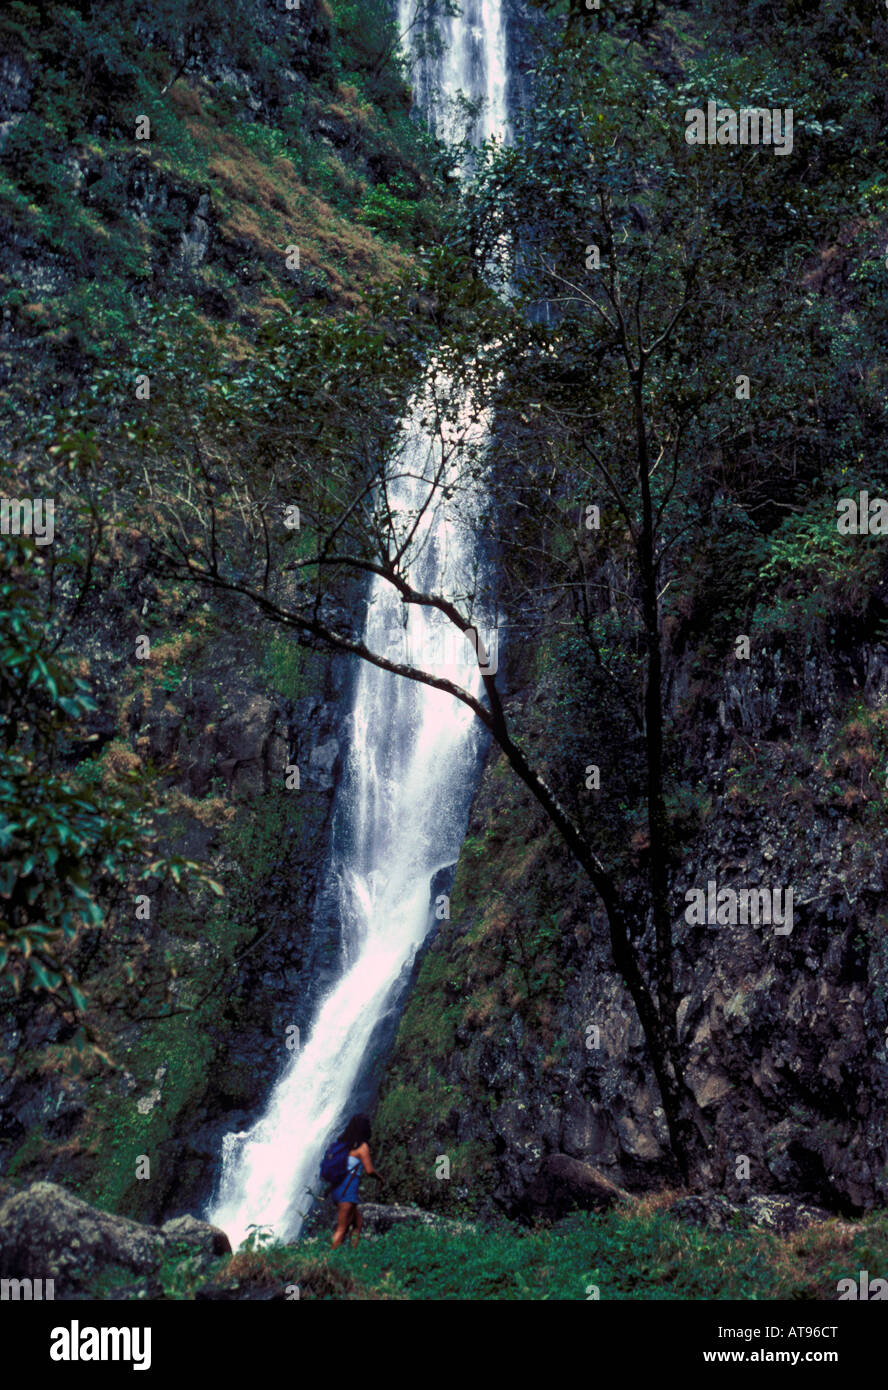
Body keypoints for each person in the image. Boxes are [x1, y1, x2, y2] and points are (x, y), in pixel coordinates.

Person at [330, 1113, 384, 1249]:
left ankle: (353, 1254)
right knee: (342, 1229)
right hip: (347, 1191)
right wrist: (381, 1178)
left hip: (336, 1190)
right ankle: (327, 1262)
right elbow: (369, 1170)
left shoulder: (342, 1144)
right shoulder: (362, 1147)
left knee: (357, 1223)